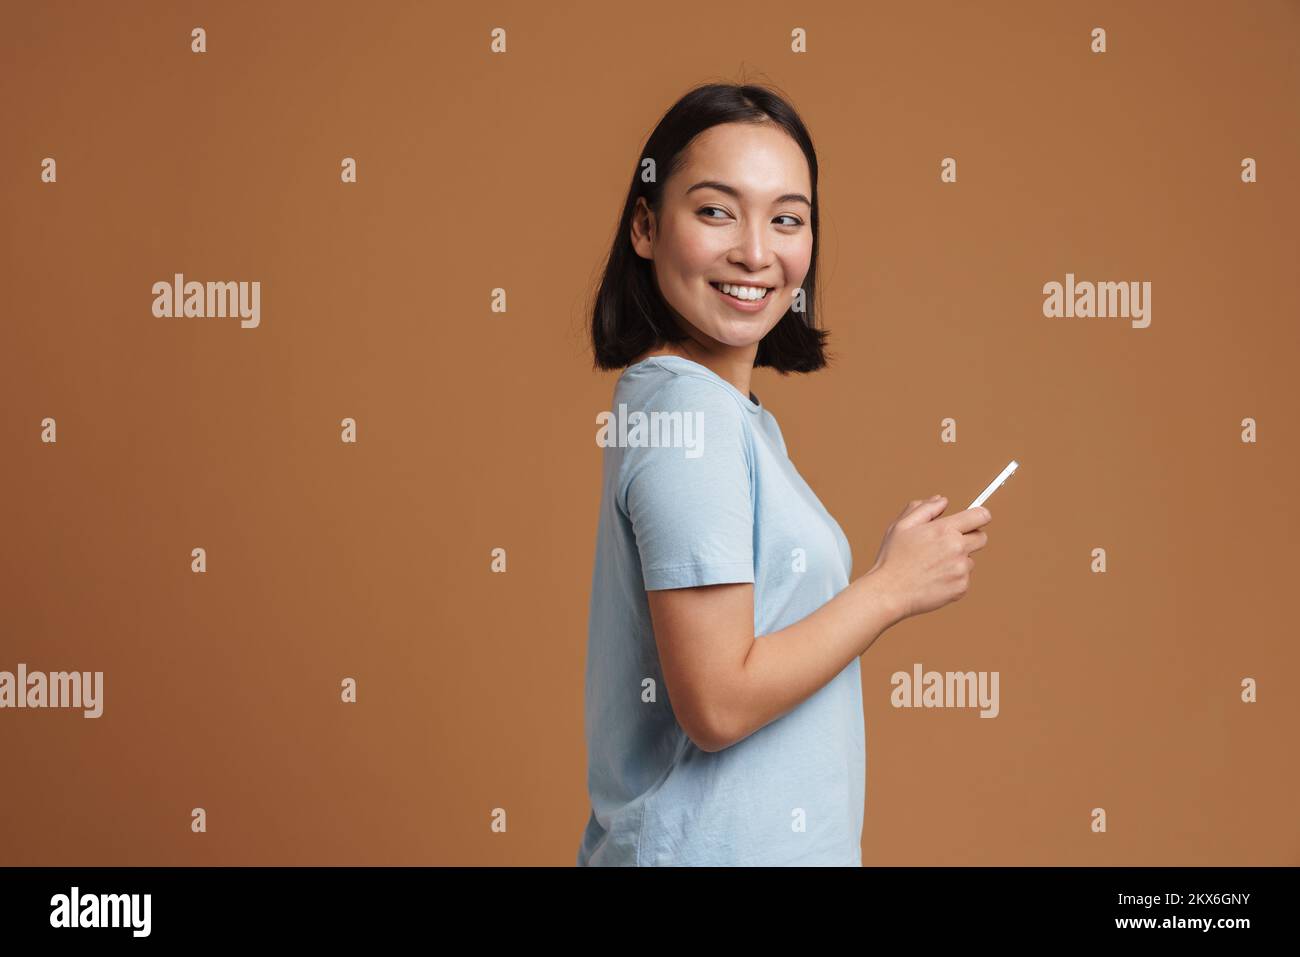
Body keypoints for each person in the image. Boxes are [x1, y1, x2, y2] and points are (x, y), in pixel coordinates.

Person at [577, 82, 993, 866]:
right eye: (715, 211)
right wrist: (891, 587)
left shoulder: (717, 413)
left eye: (787, 218)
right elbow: (717, 701)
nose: (756, 252)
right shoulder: (689, 421)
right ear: (645, 225)